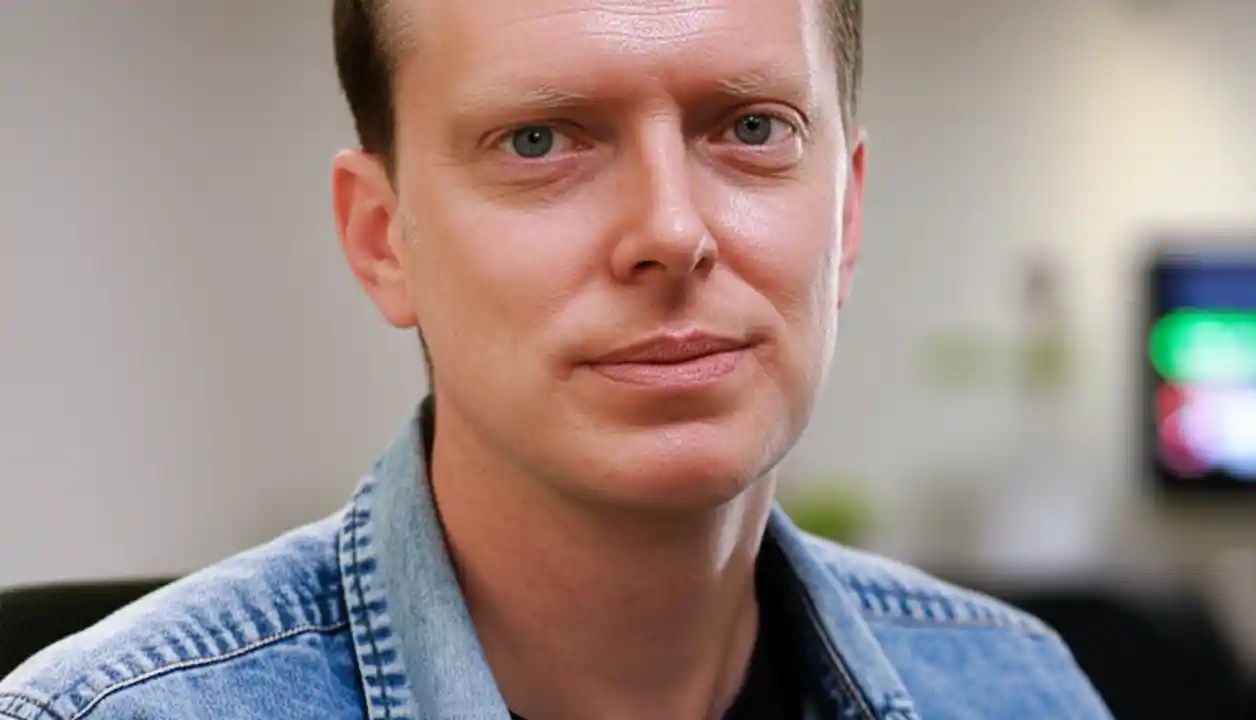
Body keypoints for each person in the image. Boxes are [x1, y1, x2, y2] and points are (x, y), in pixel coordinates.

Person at [0, 0, 1110, 718]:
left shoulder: (1019, 695)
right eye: (538, 140)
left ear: (847, 218)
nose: (671, 232)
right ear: (382, 240)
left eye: (751, 127)